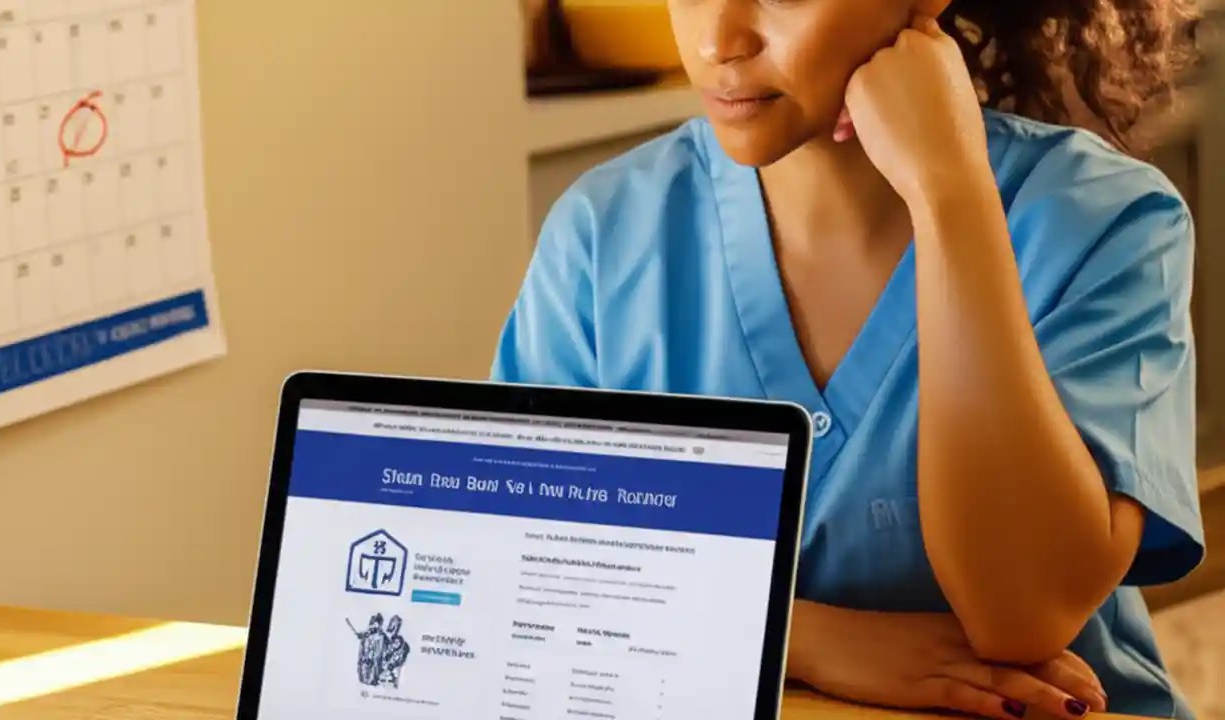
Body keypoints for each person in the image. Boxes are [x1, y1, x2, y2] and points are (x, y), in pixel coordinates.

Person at [491, 2, 1206, 719]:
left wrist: (948, 191)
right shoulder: (602, 234)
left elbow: (1024, 613)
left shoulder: (1107, 221)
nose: (717, 41)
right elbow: (527, 582)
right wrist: (808, 639)